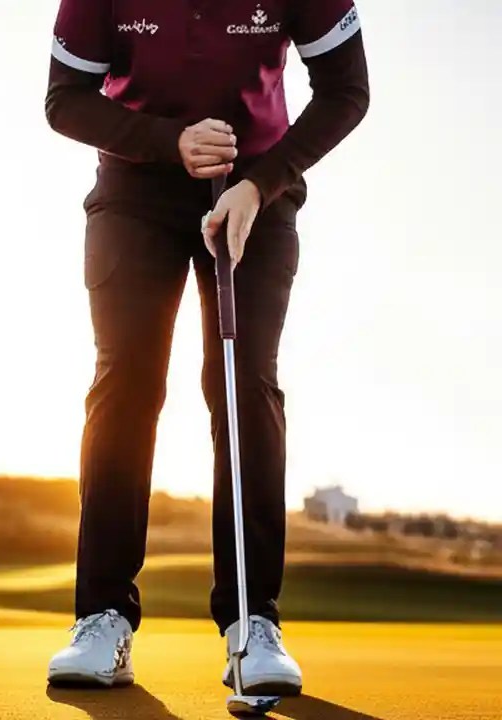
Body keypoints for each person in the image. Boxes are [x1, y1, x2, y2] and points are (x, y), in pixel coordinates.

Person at [42, 0, 369, 695]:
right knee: (126, 380)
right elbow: (65, 101)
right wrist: (169, 142)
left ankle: (252, 623)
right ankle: (102, 617)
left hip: (258, 187)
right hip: (135, 188)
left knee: (244, 385)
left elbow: (347, 89)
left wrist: (262, 183)